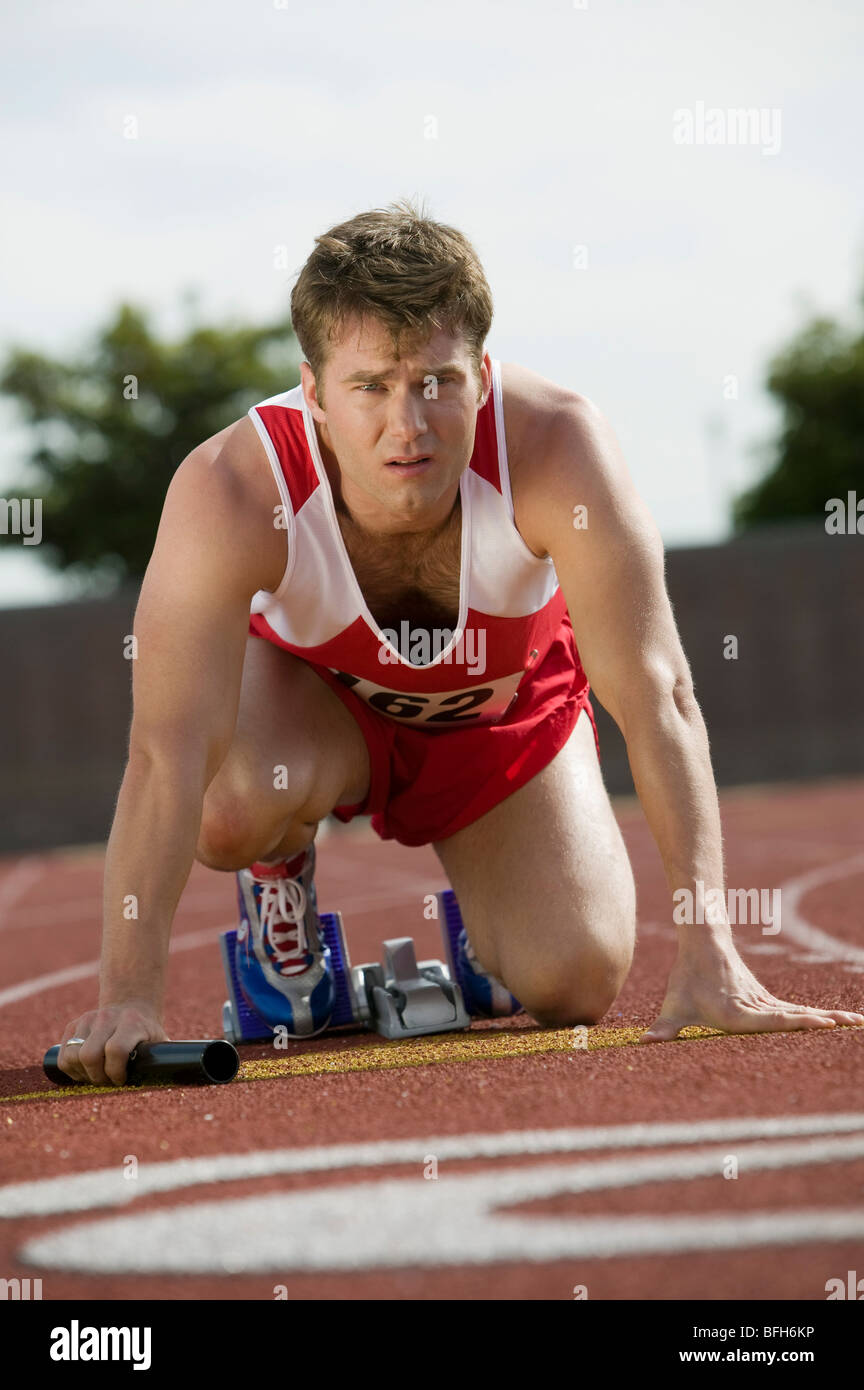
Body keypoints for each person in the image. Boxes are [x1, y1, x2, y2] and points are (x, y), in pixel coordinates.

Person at [58, 199, 863, 1083]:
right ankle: (278, 884)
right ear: (314, 391)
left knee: (576, 979)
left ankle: (494, 938)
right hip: (318, 714)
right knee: (224, 798)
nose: (408, 425)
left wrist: (712, 952)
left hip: (501, 722)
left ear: (482, 372)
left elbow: (657, 692)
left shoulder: (557, 445)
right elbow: (165, 749)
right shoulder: (230, 488)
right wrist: (128, 993)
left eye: (436, 381)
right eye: (370, 386)